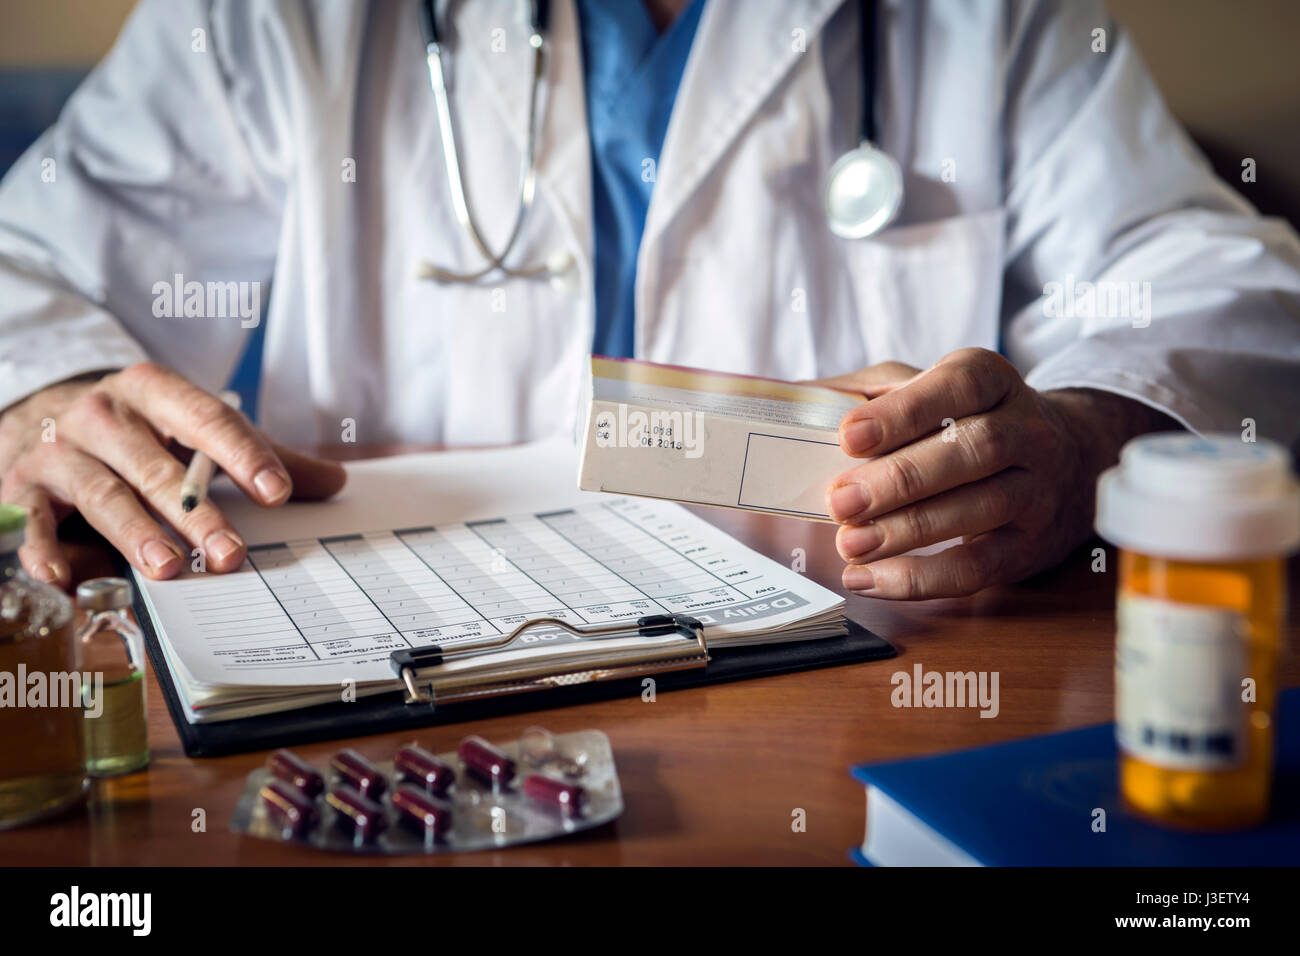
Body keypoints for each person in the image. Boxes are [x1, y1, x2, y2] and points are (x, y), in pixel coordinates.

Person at [0, 0, 1297, 600]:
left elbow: (1219, 291)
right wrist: (46, 396)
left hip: (842, 688)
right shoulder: (267, 15)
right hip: (380, 677)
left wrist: (1080, 443)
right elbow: (29, 263)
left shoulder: (998, 22)